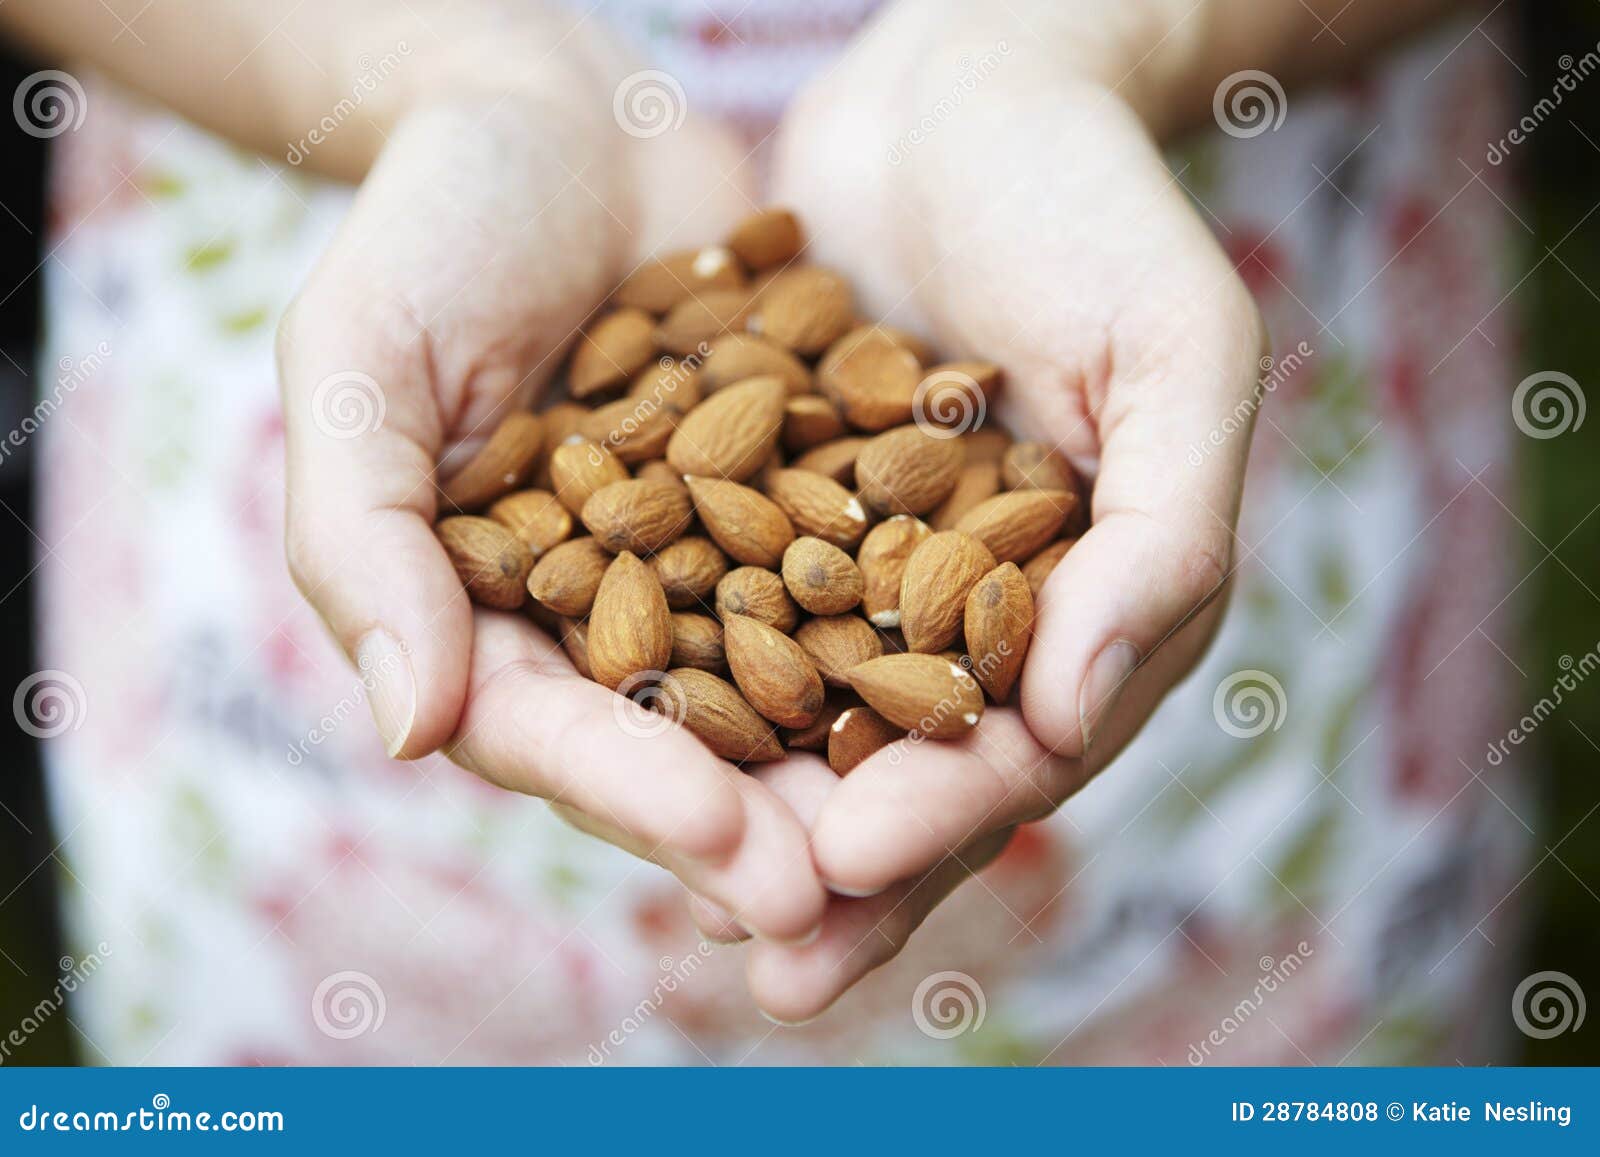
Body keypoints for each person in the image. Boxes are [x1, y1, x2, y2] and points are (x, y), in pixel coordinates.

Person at [4, 0, 1532, 1063]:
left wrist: (1106, 32)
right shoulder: (597, 486)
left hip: (1207, 357)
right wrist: (429, 65)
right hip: (352, 338)